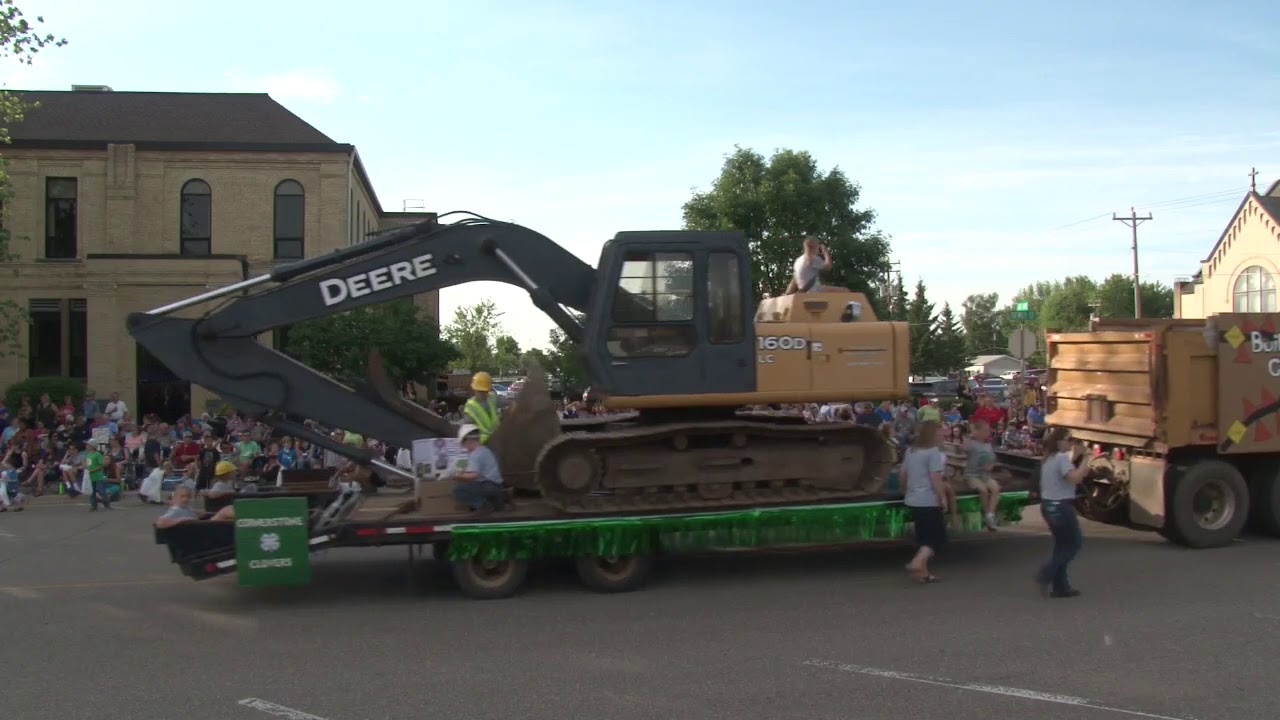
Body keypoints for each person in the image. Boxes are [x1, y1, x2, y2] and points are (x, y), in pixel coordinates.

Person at [1036, 427, 1088, 599]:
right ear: (1059, 441)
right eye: (1069, 439)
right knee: (1074, 544)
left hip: (1048, 506)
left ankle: (1061, 586)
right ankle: (1046, 573)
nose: (1071, 442)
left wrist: (1076, 456)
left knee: (1061, 546)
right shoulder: (1060, 458)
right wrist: (1086, 459)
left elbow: (1065, 471)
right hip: (1061, 506)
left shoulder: (1050, 458)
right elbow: (1076, 478)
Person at [900, 420, 955, 583]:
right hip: (928, 499)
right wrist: (943, 498)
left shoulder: (911, 451)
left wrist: (904, 491)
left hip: (913, 499)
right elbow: (936, 478)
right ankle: (916, 563)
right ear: (932, 434)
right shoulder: (933, 452)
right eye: (939, 432)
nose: (942, 435)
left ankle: (923, 573)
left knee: (924, 537)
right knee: (937, 538)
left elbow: (903, 473)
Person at [450, 424, 505, 514]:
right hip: (497, 487)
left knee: (458, 490)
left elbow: (474, 475)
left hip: (489, 486)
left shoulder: (475, 454)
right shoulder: (485, 450)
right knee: (471, 486)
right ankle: (493, 504)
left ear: (468, 441)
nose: (464, 447)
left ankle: (484, 506)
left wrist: (457, 475)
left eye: (463, 444)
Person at [963, 419, 1001, 531]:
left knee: (995, 488)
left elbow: (992, 458)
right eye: (985, 431)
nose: (987, 433)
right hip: (972, 475)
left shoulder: (988, 445)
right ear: (978, 432)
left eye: (988, 431)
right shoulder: (971, 444)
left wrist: (991, 465)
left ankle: (990, 514)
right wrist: (970, 436)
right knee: (983, 490)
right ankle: (986, 514)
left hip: (985, 474)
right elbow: (963, 448)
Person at [463, 372, 501, 443]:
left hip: (496, 440)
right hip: (481, 444)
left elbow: (507, 403)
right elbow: (468, 430)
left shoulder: (492, 397)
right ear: (474, 389)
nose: (482, 393)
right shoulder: (470, 406)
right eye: (480, 391)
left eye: (485, 391)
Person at [82, 440, 112, 511]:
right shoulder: (88, 454)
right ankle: (93, 506)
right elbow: (88, 465)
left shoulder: (97, 454)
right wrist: (85, 467)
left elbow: (101, 465)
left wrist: (93, 470)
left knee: (101, 491)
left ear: (92, 446)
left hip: (98, 476)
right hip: (91, 476)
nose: (87, 447)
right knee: (92, 492)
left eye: (88, 445)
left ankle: (106, 504)